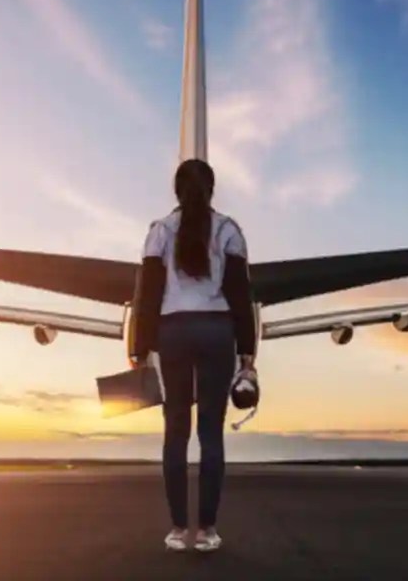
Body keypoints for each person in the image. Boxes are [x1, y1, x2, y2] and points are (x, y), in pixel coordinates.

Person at [131, 158, 257, 553]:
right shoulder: (229, 230)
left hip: (174, 331)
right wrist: (247, 352)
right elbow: (241, 294)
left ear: (176, 191)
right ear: (212, 189)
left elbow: (147, 294)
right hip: (218, 330)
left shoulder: (159, 231)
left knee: (175, 433)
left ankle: (175, 530)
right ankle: (207, 531)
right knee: (210, 434)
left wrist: (140, 348)